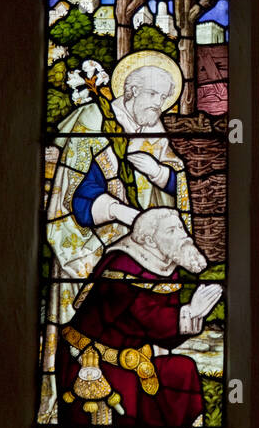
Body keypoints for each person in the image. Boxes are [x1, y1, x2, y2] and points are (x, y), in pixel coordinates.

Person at [36, 208, 221, 428]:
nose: (183, 234)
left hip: (128, 357)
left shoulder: (163, 264)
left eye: (180, 227)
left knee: (182, 370)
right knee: (123, 401)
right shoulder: (123, 266)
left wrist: (187, 318)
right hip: (91, 361)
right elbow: (144, 316)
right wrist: (188, 313)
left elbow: (160, 329)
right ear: (148, 239)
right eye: (172, 231)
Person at [47, 52, 191, 281]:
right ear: (132, 90)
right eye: (153, 94)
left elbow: (181, 186)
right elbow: (76, 195)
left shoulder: (156, 132)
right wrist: (129, 215)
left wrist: (159, 173)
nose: (158, 104)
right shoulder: (93, 120)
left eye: (163, 97)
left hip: (145, 247)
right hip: (97, 242)